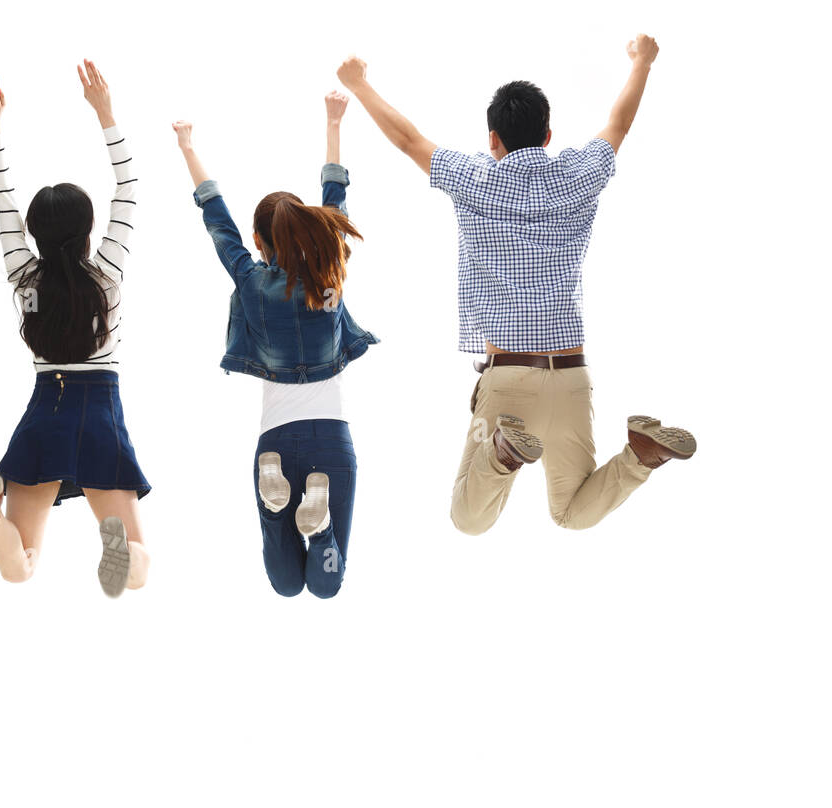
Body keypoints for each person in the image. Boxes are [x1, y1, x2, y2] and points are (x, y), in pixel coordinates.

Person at [337, 35, 696, 535]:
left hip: (508, 382)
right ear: (548, 134)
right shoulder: (577, 174)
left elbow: (408, 139)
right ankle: (641, 454)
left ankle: (504, 453)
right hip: (571, 376)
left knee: (469, 519)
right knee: (570, 514)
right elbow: (619, 124)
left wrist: (359, 84)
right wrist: (642, 61)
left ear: (492, 138)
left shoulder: (475, 178)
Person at [0, 65, 150, 598]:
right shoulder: (106, 272)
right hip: (100, 410)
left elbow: (2, 195)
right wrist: (104, 111)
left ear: (32, 233)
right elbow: (128, 185)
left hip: (46, 410)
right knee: (136, 574)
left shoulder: (24, 275)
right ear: (89, 230)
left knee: (20, 569)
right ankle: (121, 548)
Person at [173, 92, 378, 598]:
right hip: (332, 439)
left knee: (285, 584)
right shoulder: (331, 269)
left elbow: (216, 221)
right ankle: (317, 521)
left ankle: (278, 504)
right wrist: (333, 121)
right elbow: (335, 197)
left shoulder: (250, 279)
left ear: (259, 241)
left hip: (276, 444)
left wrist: (187, 146)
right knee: (322, 587)